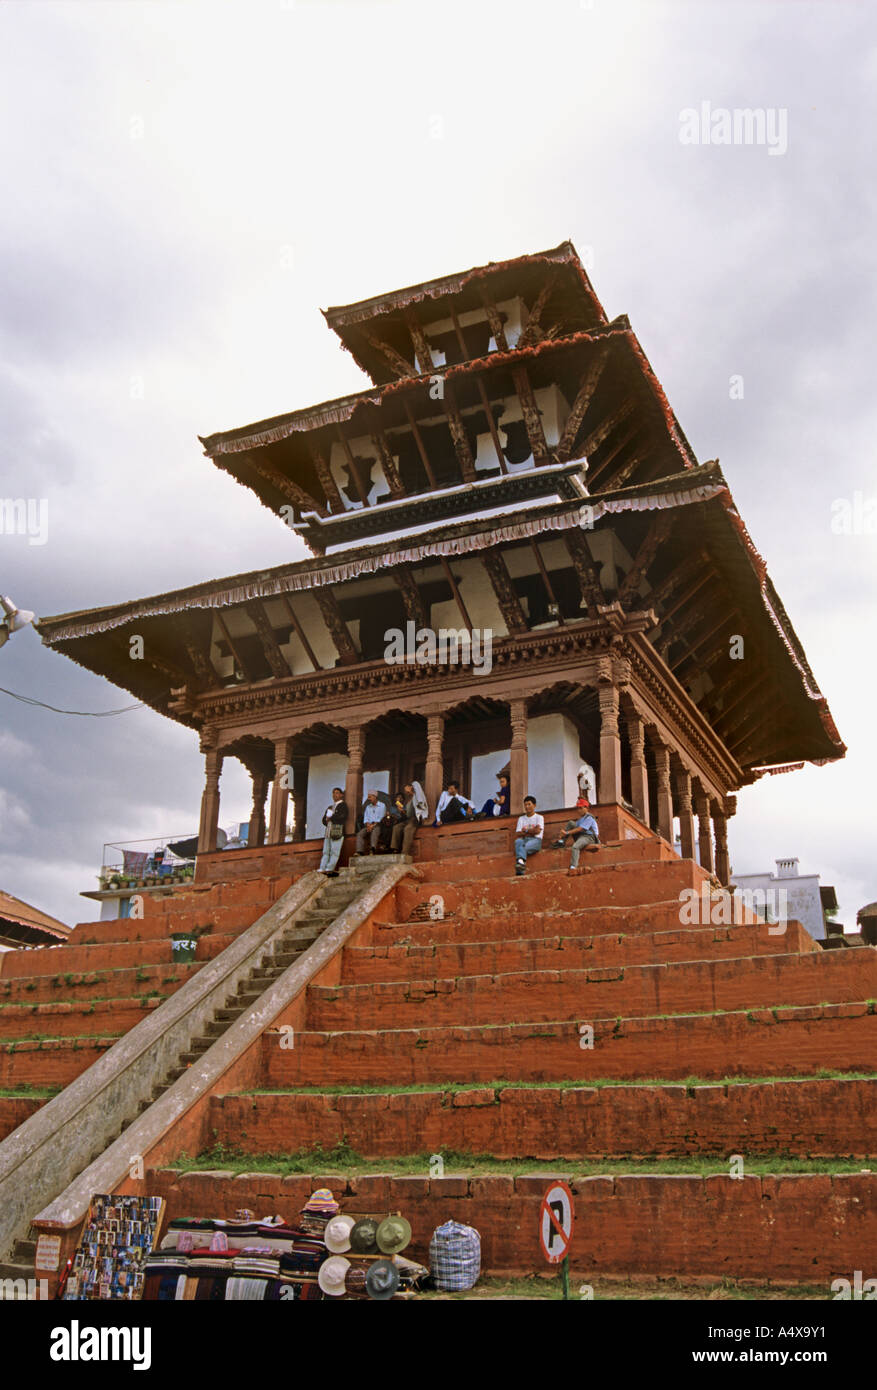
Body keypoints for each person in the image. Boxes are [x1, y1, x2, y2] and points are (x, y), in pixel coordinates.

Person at [553, 799, 600, 873]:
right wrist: (561, 835)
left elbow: (580, 829)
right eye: (578, 808)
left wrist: (567, 833)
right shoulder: (581, 819)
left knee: (575, 847)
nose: (579, 810)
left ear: (586, 808)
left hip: (590, 837)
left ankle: (573, 866)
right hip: (582, 836)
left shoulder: (589, 818)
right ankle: (561, 842)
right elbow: (574, 827)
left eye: (581, 808)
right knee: (571, 823)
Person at [390, 781, 428, 856]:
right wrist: (402, 811)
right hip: (408, 819)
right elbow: (407, 814)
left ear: (411, 787)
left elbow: (421, 807)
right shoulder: (410, 800)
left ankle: (405, 852)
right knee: (397, 827)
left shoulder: (418, 797)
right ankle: (395, 848)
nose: (406, 791)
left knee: (407, 829)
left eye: (407, 789)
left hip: (415, 819)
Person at [319, 787, 348, 875]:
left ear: (341, 795)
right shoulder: (330, 807)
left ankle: (330, 868)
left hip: (337, 830)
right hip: (328, 831)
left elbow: (343, 817)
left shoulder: (343, 805)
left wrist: (332, 817)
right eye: (333, 793)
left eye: (337, 793)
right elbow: (324, 820)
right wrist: (326, 819)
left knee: (335, 851)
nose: (335, 795)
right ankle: (322, 867)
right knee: (326, 851)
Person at [514, 796, 544, 875]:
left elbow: (537, 831)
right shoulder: (521, 818)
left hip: (536, 841)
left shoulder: (539, 817)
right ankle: (521, 864)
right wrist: (532, 831)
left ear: (534, 805)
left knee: (522, 847)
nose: (527, 807)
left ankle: (520, 864)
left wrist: (526, 830)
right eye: (525, 805)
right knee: (518, 841)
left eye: (529, 804)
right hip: (524, 840)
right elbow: (518, 833)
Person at [355, 789, 386, 855]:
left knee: (375, 831)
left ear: (375, 797)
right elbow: (366, 818)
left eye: (370, 797)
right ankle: (359, 851)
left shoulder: (382, 805)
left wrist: (373, 826)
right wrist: (368, 825)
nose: (368, 799)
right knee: (360, 834)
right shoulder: (368, 807)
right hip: (369, 825)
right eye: (368, 797)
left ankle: (373, 849)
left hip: (378, 825)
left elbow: (381, 818)